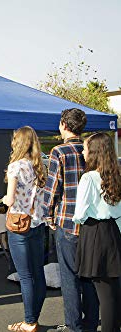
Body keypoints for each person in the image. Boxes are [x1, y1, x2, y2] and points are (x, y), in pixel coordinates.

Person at [43, 108, 99, 332]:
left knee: (69, 278)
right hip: (91, 222)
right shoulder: (92, 148)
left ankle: (73, 325)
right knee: (90, 277)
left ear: (64, 125)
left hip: (67, 221)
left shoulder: (60, 151)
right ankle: (91, 323)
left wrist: (48, 215)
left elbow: (52, 187)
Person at [72, 132, 121, 332]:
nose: (83, 152)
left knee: (104, 293)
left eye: (85, 148)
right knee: (112, 290)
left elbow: (80, 213)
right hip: (112, 232)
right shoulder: (116, 175)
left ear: (94, 152)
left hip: (94, 233)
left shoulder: (89, 178)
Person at [2, 126, 47, 332]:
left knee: (25, 276)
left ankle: (29, 322)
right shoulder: (39, 166)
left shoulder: (15, 166)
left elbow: (10, 199)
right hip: (37, 223)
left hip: (18, 225)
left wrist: (4, 199)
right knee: (38, 273)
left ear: (17, 142)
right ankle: (33, 319)